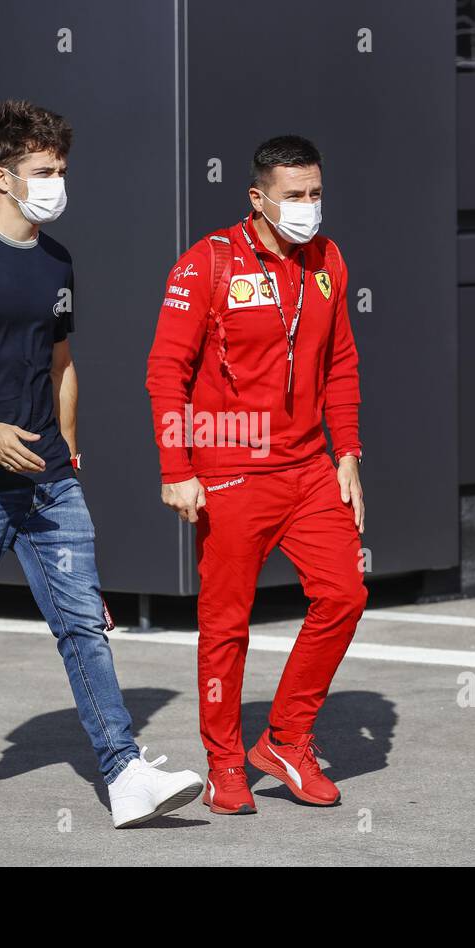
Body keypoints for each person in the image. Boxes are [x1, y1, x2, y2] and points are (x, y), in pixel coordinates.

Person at [0, 99, 201, 828]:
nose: (56, 182)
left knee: (84, 624)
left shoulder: (58, 261)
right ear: (3, 175)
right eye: (42, 171)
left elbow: (61, 365)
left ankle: (122, 774)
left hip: (51, 480)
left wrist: (69, 451)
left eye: (60, 169)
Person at [145, 135, 367, 815]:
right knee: (227, 622)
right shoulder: (207, 262)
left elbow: (341, 365)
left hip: (307, 467)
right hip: (230, 466)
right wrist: (176, 467)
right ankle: (223, 763)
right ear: (258, 198)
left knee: (345, 594)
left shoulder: (329, 260)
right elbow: (166, 372)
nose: (308, 207)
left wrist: (348, 454)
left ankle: (287, 737)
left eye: (316, 193)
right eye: (294, 195)